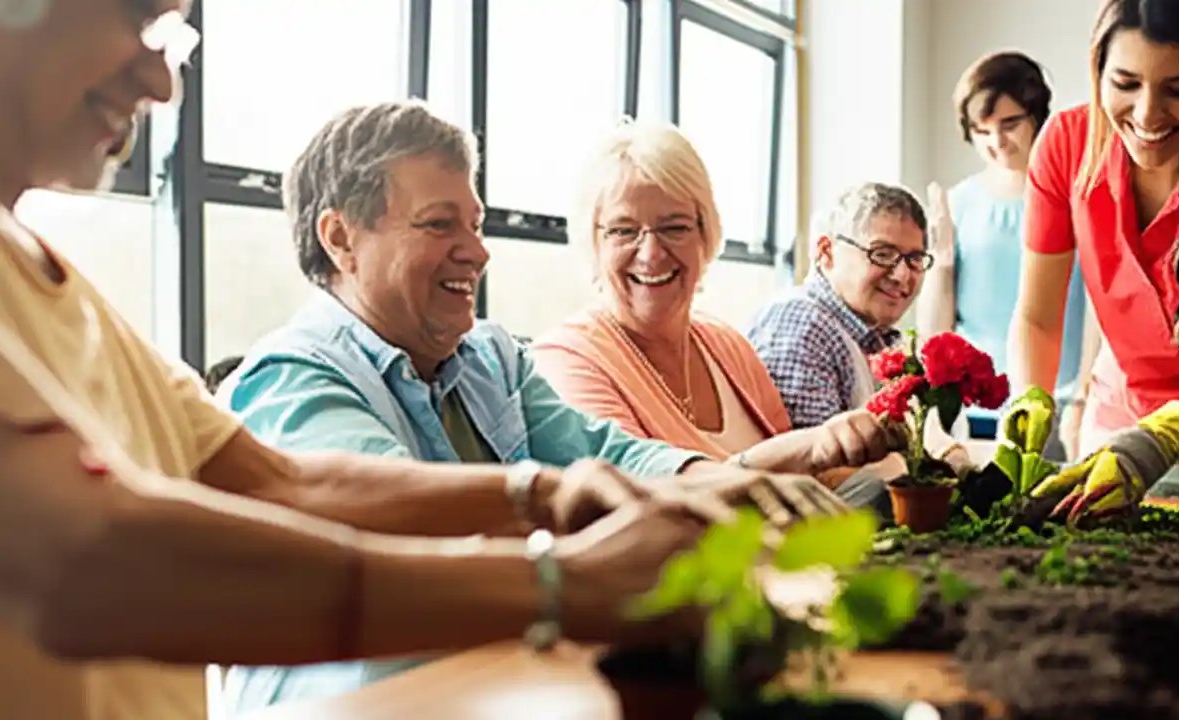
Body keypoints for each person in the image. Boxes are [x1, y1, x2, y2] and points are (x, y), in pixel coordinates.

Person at [0, 4, 779, 719]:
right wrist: (559, 581)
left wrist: (544, 491)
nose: (164, 80)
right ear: (340, 239)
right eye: (139, 18)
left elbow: (286, 483)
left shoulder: (65, 290)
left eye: (173, 36)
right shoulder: (292, 372)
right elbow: (82, 556)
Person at [216, 102, 849, 714]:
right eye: (441, 225)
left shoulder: (492, 357)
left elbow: (608, 455)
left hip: (502, 689)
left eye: (477, 223)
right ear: (340, 239)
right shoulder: (290, 379)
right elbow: (398, 521)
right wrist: (554, 497)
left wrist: (724, 485)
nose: (478, 251)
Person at [532, 123, 905, 505]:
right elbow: (630, 504)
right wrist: (813, 448)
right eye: (624, 231)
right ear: (591, 243)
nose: (651, 254)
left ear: (705, 234)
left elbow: (812, 480)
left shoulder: (725, 344)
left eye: (674, 228)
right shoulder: (565, 361)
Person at [1010, 0, 1179, 517]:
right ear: (1097, 72)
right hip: (1115, 429)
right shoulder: (1066, 144)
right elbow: (1038, 318)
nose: (1148, 114)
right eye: (1126, 84)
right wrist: (1029, 406)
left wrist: (1157, 442)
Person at [918, 51, 1095, 455]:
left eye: (1010, 124)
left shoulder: (1075, 197)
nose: (997, 142)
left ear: (1037, 116)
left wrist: (1084, 391)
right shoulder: (959, 202)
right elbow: (939, 319)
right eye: (982, 131)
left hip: (1058, 402)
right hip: (972, 407)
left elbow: (1096, 309)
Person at [748, 182, 925, 429]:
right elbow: (813, 461)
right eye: (883, 254)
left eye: (914, 259)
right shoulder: (801, 326)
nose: (902, 275)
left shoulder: (876, 336)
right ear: (826, 252)